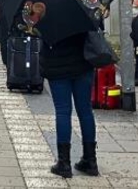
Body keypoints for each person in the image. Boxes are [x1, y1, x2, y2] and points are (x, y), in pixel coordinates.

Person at [42, 30, 98, 178]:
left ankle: (64, 163)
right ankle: (90, 160)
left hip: (57, 64)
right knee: (85, 110)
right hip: (83, 62)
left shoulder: (46, 8)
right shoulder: (84, 7)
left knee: (62, 111)